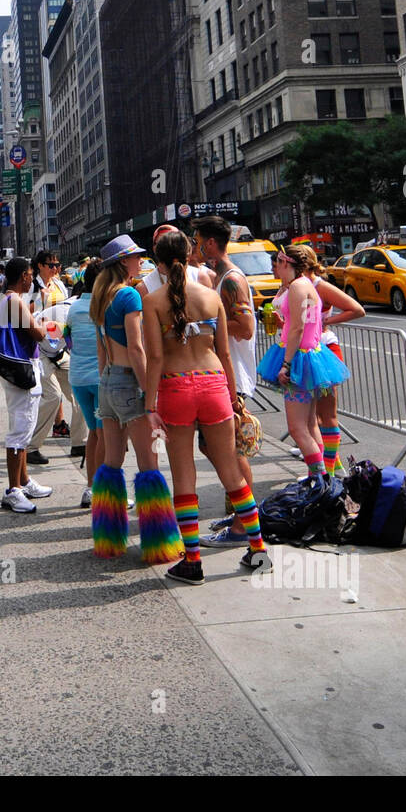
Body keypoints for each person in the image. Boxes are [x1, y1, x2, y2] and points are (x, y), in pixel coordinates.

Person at [142, 231, 271, 585]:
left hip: (175, 386)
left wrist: (149, 403)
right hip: (214, 383)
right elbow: (226, 352)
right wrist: (233, 396)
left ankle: (193, 561)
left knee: (184, 476)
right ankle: (258, 549)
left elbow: (154, 356)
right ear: (189, 254)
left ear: (160, 262)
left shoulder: (152, 300)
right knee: (231, 471)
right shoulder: (212, 297)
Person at [89, 235, 182, 565]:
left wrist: (107, 384)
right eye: (135, 257)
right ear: (122, 263)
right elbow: (137, 348)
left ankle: (108, 538)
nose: (140, 260)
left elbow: (103, 352)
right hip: (130, 383)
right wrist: (150, 397)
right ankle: (159, 545)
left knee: (111, 463)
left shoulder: (101, 298)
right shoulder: (128, 295)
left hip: (108, 383)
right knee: (149, 466)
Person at [193, 216, 262, 539]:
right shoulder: (218, 278)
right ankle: (240, 512)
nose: (194, 247)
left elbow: (246, 328)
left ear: (209, 244)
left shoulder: (232, 280)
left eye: (196, 241)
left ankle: (244, 524)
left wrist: (208, 324)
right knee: (212, 447)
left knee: (230, 452)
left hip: (232, 377)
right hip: (221, 375)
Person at [256, 244, 350, 477]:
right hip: (311, 356)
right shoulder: (305, 285)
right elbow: (303, 323)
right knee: (309, 425)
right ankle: (318, 478)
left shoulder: (298, 286)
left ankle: (320, 479)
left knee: (297, 429)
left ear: (286, 262)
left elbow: (298, 328)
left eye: (277, 262)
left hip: (299, 358)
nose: (275, 267)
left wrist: (286, 364)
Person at [0, 257, 53, 513]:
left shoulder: (7, 299)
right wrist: (43, 322)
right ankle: (13, 490)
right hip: (22, 370)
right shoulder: (15, 300)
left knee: (25, 427)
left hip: (20, 368)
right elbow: (37, 334)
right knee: (20, 429)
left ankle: (24, 481)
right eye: (30, 274)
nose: (31, 278)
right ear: (24, 276)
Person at [27, 250, 84, 463]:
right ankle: (31, 446)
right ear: (40, 266)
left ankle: (79, 443)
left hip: (60, 346)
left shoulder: (59, 285)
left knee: (80, 395)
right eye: (51, 265)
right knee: (52, 396)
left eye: (58, 264)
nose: (56, 268)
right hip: (40, 346)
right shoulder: (32, 287)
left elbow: (68, 311)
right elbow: (27, 317)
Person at [309, 269, 366, 476]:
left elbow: (357, 310)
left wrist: (326, 322)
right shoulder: (294, 285)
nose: (275, 268)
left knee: (326, 415)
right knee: (313, 416)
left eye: (280, 262)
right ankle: (333, 465)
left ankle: (329, 473)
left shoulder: (318, 286)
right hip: (304, 353)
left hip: (323, 351)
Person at [65, 260, 103, 508]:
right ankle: (105, 492)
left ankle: (91, 488)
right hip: (102, 379)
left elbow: (67, 339)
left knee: (94, 434)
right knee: (106, 437)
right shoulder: (107, 306)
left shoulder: (74, 307)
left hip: (78, 378)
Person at [137, 224, 214, 296]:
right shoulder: (144, 287)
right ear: (154, 248)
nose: (168, 247)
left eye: (173, 242)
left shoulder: (200, 277)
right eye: (162, 243)